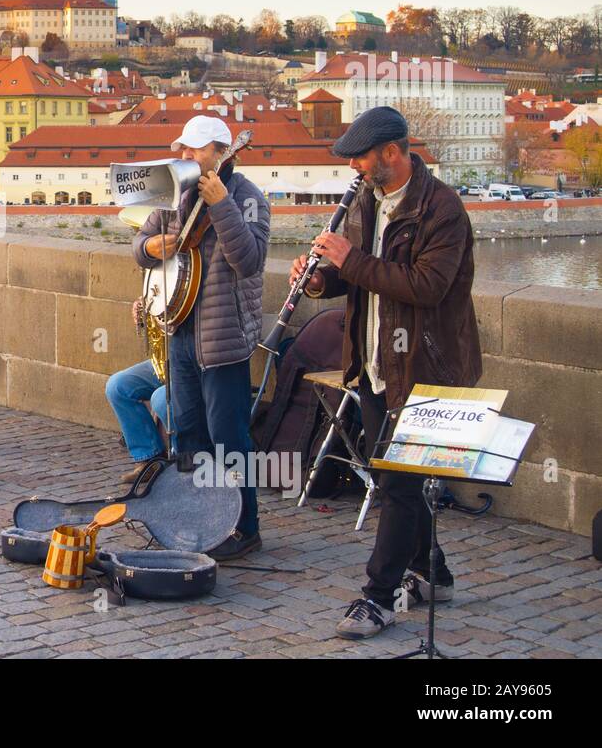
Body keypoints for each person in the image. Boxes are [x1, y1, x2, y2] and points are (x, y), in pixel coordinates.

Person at [288, 106, 482, 639]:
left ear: (391, 154)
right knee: (401, 481)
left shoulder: (441, 209)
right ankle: (432, 573)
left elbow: (426, 287)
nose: (353, 166)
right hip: (373, 365)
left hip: (425, 368)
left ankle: (377, 599)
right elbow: (357, 280)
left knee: (397, 485)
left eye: (360, 156)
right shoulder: (368, 201)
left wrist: (348, 261)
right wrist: (321, 280)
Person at [133, 115, 270, 561]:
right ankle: (199, 519)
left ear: (220, 151)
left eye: (194, 150)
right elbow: (141, 244)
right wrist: (153, 247)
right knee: (188, 433)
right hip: (179, 328)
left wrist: (222, 205)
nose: (186, 156)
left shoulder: (248, 198)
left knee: (229, 439)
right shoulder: (173, 190)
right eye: (183, 149)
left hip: (223, 336)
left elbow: (248, 261)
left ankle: (244, 528)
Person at [105, 299, 172, 485]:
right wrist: (146, 311)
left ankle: (186, 462)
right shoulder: (162, 270)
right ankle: (149, 459)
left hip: (196, 362)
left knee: (161, 398)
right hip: (170, 356)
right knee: (118, 386)